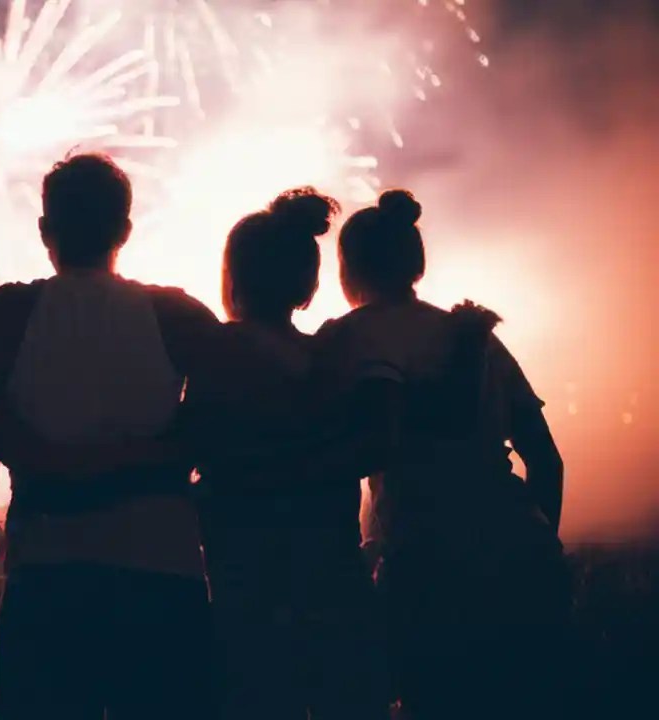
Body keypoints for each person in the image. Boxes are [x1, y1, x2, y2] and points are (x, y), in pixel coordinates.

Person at [0, 153, 219, 719]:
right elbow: (224, 417)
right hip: (161, 564)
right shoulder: (178, 315)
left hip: (48, 566)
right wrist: (146, 460)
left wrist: (58, 467)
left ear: (44, 230)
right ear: (125, 230)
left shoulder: (5, 313)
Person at [316, 190, 569, 720]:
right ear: (416, 263)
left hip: (429, 566)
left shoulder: (350, 334)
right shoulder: (476, 337)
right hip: (526, 559)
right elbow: (546, 460)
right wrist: (543, 543)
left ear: (345, 270)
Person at [183, 189, 389, 720]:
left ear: (234, 277)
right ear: (307, 281)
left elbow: (197, 442)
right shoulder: (335, 353)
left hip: (246, 575)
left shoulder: (219, 351)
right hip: (332, 572)